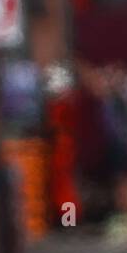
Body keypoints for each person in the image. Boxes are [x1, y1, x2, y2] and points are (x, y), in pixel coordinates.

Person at [44, 64, 82, 228]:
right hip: (62, 149)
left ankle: (69, 221)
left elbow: (56, 126)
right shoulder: (66, 104)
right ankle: (66, 220)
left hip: (62, 150)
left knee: (65, 188)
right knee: (62, 187)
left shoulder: (62, 106)